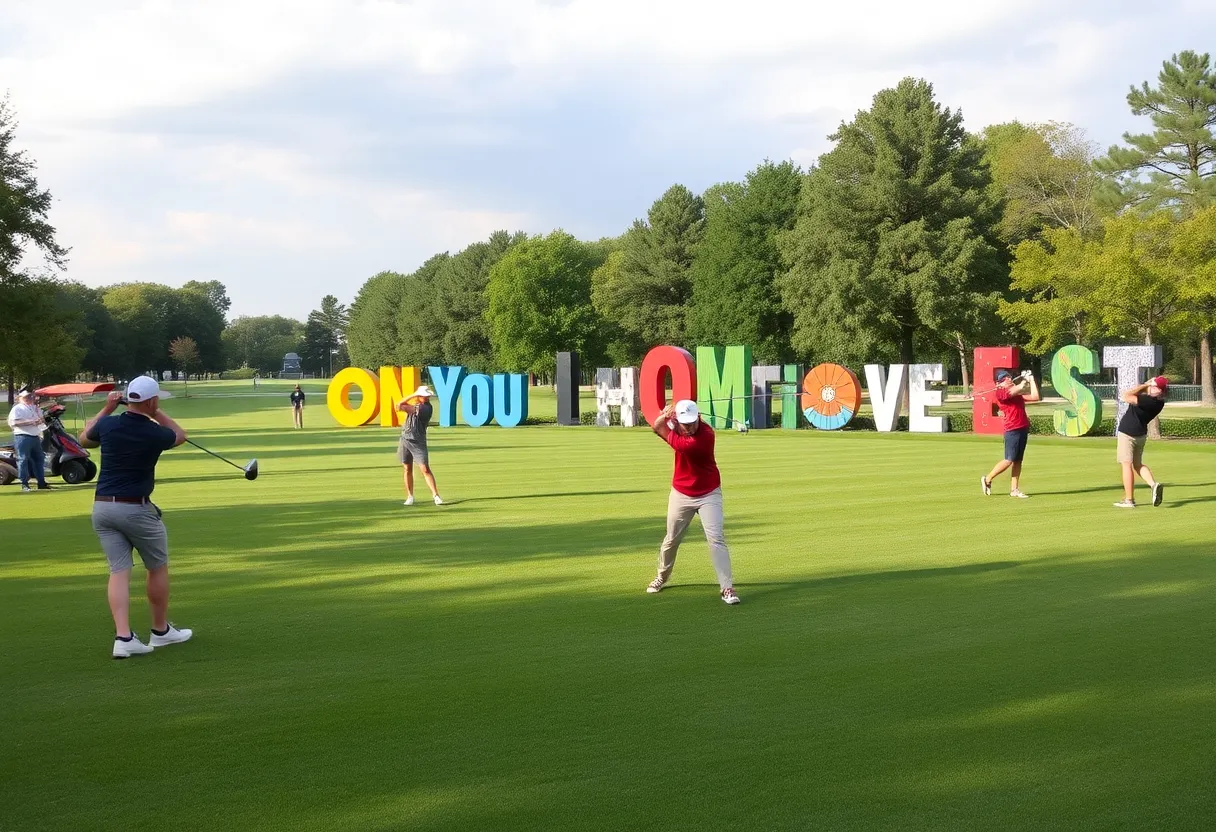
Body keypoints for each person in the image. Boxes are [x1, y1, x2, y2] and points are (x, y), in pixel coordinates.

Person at [79, 376, 193, 659]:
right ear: (152, 401)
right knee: (157, 567)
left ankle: (123, 637)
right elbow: (180, 435)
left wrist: (107, 407)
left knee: (118, 571)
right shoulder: (154, 433)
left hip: (103, 508)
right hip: (136, 509)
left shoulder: (108, 424)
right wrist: (156, 412)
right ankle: (160, 631)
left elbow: (84, 439)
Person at [646, 399, 740, 605]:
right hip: (681, 493)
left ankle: (727, 588)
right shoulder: (679, 427)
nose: (689, 428)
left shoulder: (704, 437)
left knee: (716, 539)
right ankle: (662, 576)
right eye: (684, 423)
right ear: (678, 420)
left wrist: (666, 417)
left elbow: (658, 428)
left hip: (708, 493)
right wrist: (667, 413)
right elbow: (660, 426)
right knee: (671, 539)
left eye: (692, 423)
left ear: (699, 418)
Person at [981, 369, 1041, 499]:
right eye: (1005, 378)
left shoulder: (1015, 394)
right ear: (999, 383)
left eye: (1009, 377)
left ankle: (1014, 490)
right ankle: (987, 479)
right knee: (1009, 459)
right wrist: (1024, 380)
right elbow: (1019, 388)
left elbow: (1035, 397)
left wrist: (1031, 379)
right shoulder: (1000, 393)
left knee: (1018, 461)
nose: (1009, 379)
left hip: (1022, 428)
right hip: (1012, 430)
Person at [1113, 376, 1168, 509]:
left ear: (1158, 390)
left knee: (1126, 465)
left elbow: (1126, 396)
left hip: (1127, 433)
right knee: (1138, 465)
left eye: (1153, 386)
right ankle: (1153, 485)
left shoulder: (1147, 400)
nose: (1150, 387)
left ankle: (1129, 500)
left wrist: (1144, 385)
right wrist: (1148, 386)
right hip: (1141, 435)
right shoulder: (1160, 403)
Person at [397, 385, 442, 506]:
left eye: (427, 396)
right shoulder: (416, 405)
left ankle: (436, 495)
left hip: (418, 442)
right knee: (407, 469)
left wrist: (413, 395)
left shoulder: (426, 408)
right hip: (405, 440)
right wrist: (414, 395)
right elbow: (398, 406)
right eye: (424, 395)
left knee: (425, 469)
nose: (427, 398)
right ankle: (410, 496)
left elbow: (400, 405)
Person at [6, 388, 50, 493]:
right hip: (22, 436)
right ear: (20, 398)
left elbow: (41, 419)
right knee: (23, 459)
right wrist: (30, 422)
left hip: (35, 435)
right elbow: (13, 423)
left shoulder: (35, 408)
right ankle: (24, 483)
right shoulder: (17, 409)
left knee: (39, 459)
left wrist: (40, 420)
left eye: (29, 396)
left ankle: (41, 482)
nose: (28, 398)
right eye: (26, 397)